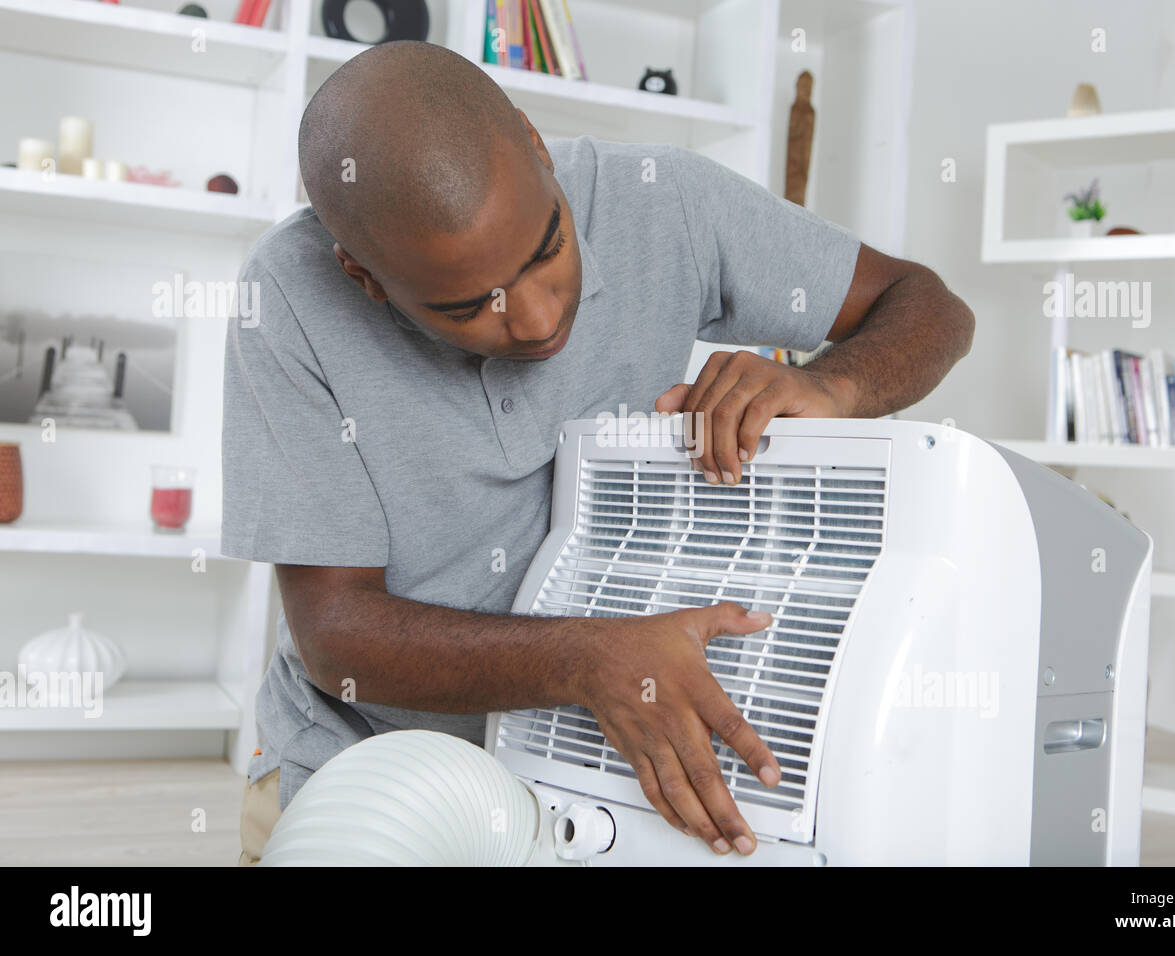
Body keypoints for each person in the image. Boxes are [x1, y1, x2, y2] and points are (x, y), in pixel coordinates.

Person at [224, 40, 974, 865]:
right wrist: (586, 660)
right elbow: (337, 634)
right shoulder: (288, 298)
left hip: (592, 777)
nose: (540, 320)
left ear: (535, 144)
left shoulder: (664, 200)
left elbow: (929, 305)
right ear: (365, 279)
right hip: (367, 778)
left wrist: (832, 389)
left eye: (548, 248)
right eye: (470, 306)